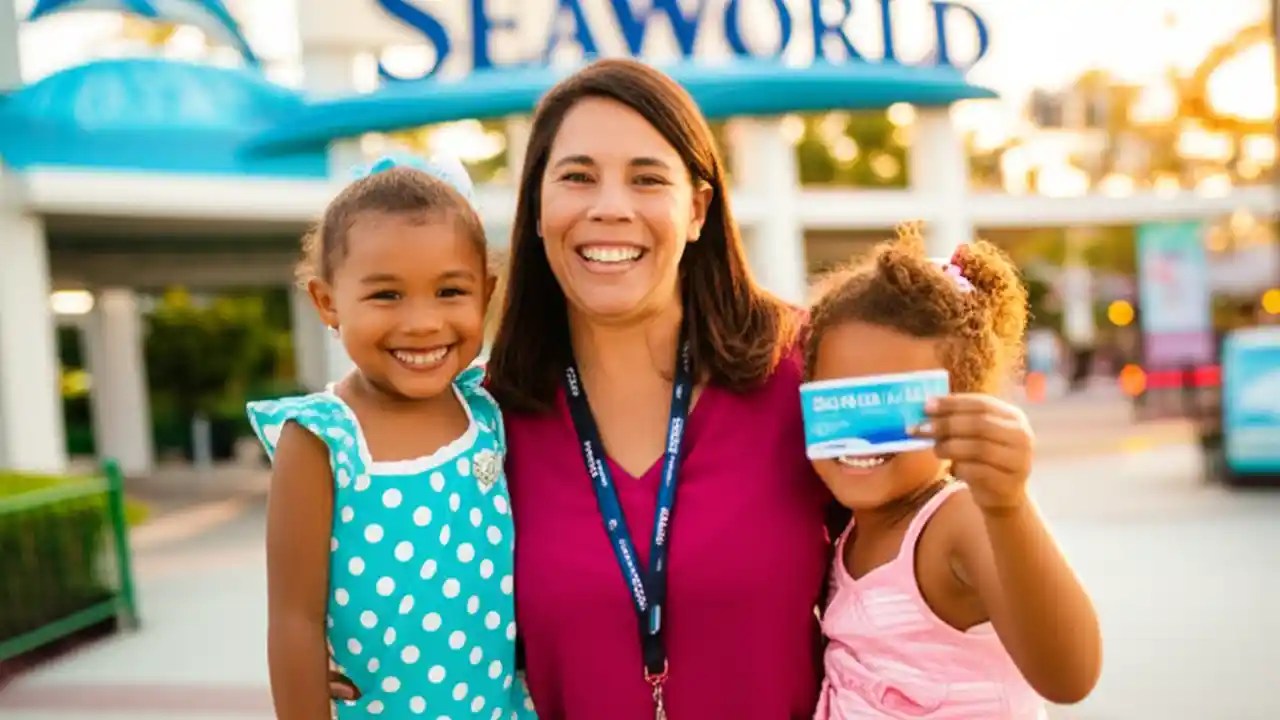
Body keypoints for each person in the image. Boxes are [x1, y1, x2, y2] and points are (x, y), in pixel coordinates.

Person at [484, 58, 832, 718]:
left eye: (647, 180)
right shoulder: (483, 420)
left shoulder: (810, 366)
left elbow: (920, 574)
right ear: (535, 206)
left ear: (698, 209)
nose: (609, 207)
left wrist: (1000, 500)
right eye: (577, 177)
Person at [247, 157, 536, 719]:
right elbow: (293, 620)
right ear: (328, 303)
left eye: (451, 291)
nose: (423, 323)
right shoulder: (320, 440)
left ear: (487, 293)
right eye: (387, 296)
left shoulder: (488, 409)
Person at [805, 225, 1103, 719]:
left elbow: (1070, 675)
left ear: (963, 408)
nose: (864, 433)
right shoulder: (845, 534)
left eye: (895, 405)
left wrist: (1008, 505)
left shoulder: (957, 522)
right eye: (838, 402)